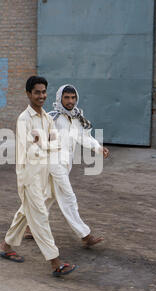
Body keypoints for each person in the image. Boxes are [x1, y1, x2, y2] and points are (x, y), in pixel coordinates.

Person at [0, 76, 78, 277]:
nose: (41, 96)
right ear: (28, 94)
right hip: (29, 177)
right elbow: (32, 150)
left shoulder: (46, 118)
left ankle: (6, 246)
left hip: (44, 174)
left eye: (44, 92)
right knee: (40, 216)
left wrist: (42, 142)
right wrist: (45, 143)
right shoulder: (24, 119)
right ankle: (55, 262)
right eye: (37, 92)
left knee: (25, 213)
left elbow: (56, 144)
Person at [24, 84, 110, 248]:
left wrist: (98, 148)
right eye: (67, 98)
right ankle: (85, 235)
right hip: (53, 163)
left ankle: (28, 227)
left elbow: (84, 137)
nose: (70, 101)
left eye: (73, 97)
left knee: (48, 196)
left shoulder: (77, 117)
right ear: (59, 99)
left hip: (65, 163)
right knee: (68, 197)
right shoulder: (52, 117)